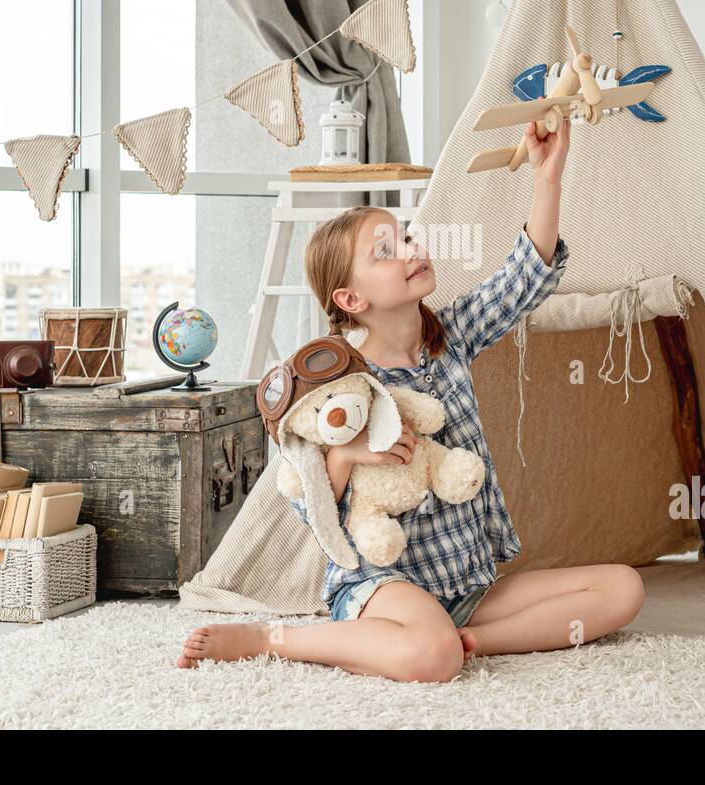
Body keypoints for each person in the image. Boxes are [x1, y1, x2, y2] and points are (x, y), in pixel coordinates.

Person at [178, 118, 645, 680]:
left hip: (466, 584)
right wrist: (349, 457)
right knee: (432, 658)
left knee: (622, 588)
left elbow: (526, 277)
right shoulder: (337, 383)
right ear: (351, 297)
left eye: (404, 237)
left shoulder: (449, 338)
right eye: (385, 252)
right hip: (384, 587)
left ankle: (471, 639)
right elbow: (308, 506)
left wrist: (548, 177)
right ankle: (279, 639)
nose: (408, 249)